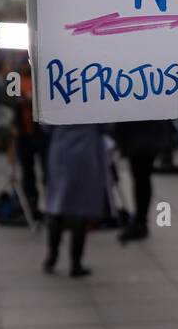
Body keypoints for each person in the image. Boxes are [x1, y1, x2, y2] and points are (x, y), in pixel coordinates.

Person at [42, 123, 111, 277]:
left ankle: (51, 257)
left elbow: (45, 125)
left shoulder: (56, 100)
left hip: (61, 150)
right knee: (81, 208)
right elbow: (107, 125)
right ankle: (76, 263)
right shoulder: (94, 101)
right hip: (87, 151)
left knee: (57, 205)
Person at [113, 119, 173, 241]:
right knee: (142, 179)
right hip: (149, 135)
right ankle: (141, 220)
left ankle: (140, 222)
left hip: (139, 137)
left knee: (141, 180)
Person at [11, 61, 48, 216]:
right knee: (28, 173)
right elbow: (8, 99)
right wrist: (20, 99)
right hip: (23, 133)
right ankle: (31, 208)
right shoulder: (15, 78)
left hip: (41, 132)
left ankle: (53, 207)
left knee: (48, 171)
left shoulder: (43, 76)